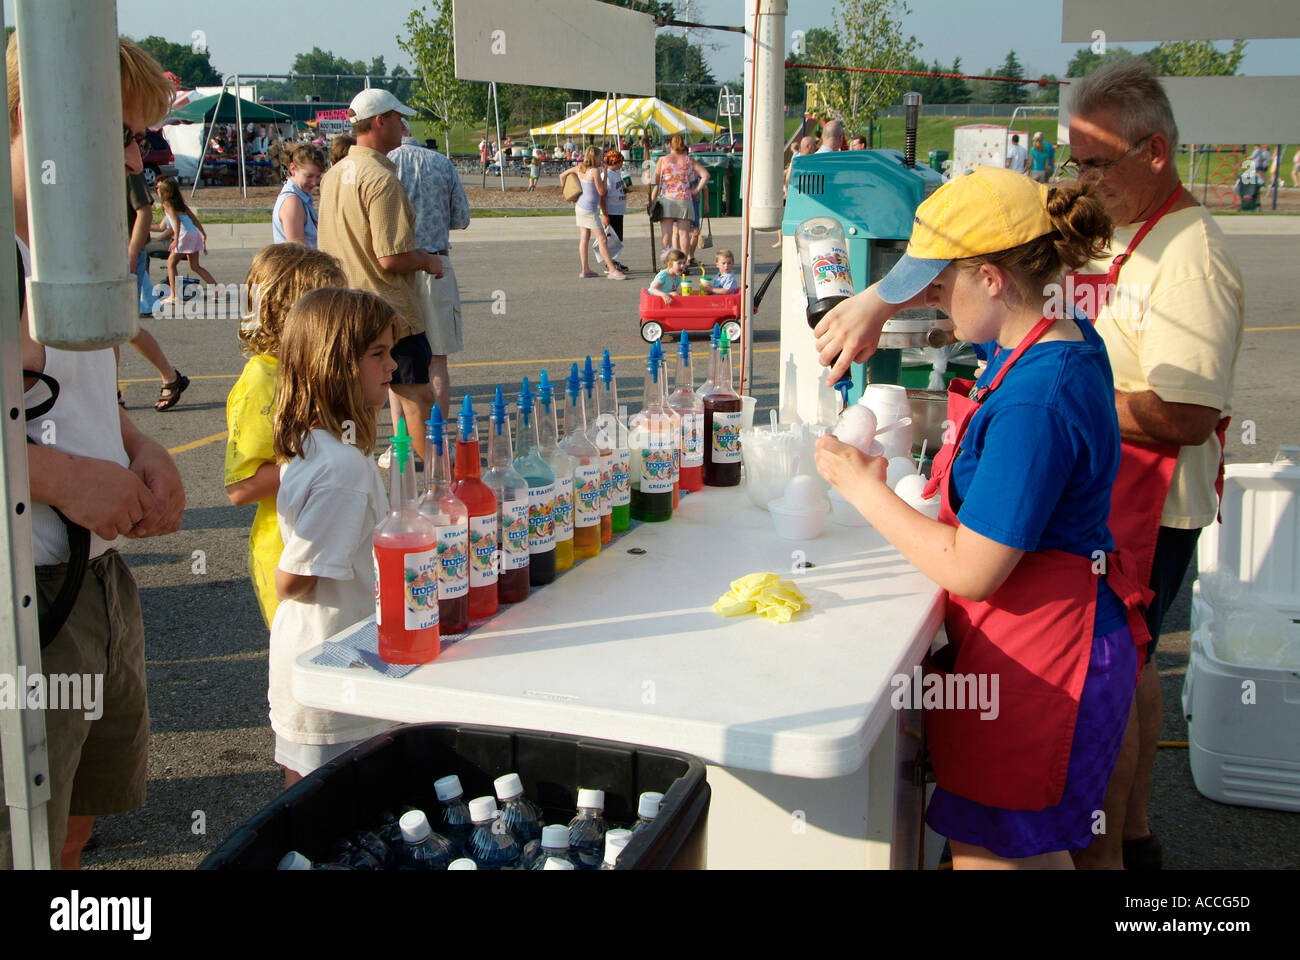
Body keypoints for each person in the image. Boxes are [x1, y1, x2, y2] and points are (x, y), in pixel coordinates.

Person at [812, 167, 1152, 869]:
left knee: (995, 853)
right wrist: (878, 302)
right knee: (1040, 847)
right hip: (1059, 640)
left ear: (993, 279)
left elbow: (972, 569)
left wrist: (860, 484)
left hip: (1042, 666)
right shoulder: (1056, 338)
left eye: (940, 285)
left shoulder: (1037, 400)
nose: (933, 303)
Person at [1, 33, 184, 871]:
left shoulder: (70, 259)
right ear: (34, 122)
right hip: (24, 594)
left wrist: (142, 449)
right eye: (116, 134)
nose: (131, 161)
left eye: (138, 139)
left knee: (75, 822)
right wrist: (68, 480)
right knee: (24, 832)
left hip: (94, 583)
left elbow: (87, 399)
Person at [1062, 58, 1245, 873]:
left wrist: (1073, 399)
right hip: (1115, 491)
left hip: (1152, 502)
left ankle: (1109, 848)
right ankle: (1132, 838)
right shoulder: (1128, 225)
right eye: (1075, 159)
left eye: (1095, 161)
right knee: (1131, 665)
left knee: (1116, 671)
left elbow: (1186, 415)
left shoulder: (1191, 256)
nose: (1081, 179)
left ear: (1156, 151)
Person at [270, 287, 397, 786]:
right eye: (377, 354)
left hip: (321, 664)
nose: (391, 366)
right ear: (335, 364)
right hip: (335, 667)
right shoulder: (344, 469)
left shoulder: (318, 443)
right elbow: (294, 580)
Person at [317, 88, 443, 466]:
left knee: (359, 403)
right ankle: (442, 487)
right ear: (379, 121)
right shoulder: (382, 180)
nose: (404, 127)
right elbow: (391, 258)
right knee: (419, 399)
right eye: (399, 119)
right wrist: (427, 261)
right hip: (388, 313)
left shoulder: (334, 174)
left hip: (345, 307)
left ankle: (353, 475)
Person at [225, 243, 346, 629]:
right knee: (301, 659)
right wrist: (314, 460)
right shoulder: (262, 381)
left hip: (327, 537)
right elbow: (241, 488)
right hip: (287, 549)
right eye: (331, 313)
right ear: (290, 313)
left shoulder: (314, 371)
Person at [389, 120, 472, 417]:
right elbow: (461, 217)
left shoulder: (383, 163)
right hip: (436, 263)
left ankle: (402, 445)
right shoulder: (441, 163)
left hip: (395, 266)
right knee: (437, 358)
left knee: (395, 360)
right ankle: (438, 441)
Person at [123, 170, 189, 411]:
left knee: (122, 324)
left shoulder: (127, 169)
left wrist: (132, 253)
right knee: (113, 325)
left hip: (124, 250)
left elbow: (145, 213)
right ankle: (111, 390)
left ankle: (170, 377)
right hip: (100, 250)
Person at [560, 146, 626, 280]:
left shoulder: (580, 168)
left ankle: (585, 269)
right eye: (600, 156)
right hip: (589, 209)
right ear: (595, 157)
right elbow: (602, 192)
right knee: (602, 238)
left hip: (580, 206)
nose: (602, 158)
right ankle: (612, 270)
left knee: (584, 237)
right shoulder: (594, 171)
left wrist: (569, 195)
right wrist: (605, 174)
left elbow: (562, 176)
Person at [152, 177, 216, 307]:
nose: (156, 190)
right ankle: (216, 290)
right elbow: (164, 227)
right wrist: (203, 234)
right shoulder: (180, 204)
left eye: (158, 188)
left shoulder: (166, 204)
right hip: (193, 233)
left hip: (183, 235)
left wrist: (175, 240)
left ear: (165, 191)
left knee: (170, 263)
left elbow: (176, 222)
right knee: (195, 266)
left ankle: (174, 296)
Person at [648, 133, 708, 264]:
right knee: (684, 234)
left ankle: (667, 262)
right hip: (684, 199)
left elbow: (655, 181)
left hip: (667, 199)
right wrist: (696, 190)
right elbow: (705, 175)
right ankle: (683, 263)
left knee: (667, 234)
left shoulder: (663, 160)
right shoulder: (688, 160)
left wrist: (648, 177)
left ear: (670, 144)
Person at [271, 143, 324, 247]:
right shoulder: (292, 202)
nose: (314, 182)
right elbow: (298, 254)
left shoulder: (301, 197)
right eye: (309, 176)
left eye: (317, 176)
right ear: (292, 169)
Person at [601, 148, 630, 272]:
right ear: (615, 162)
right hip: (611, 211)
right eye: (620, 162)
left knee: (617, 238)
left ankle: (614, 260)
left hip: (618, 210)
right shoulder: (606, 175)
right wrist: (605, 214)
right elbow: (603, 195)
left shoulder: (616, 173)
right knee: (611, 238)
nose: (621, 164)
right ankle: (610, 263)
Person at [784, 135, 818, 199]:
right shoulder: (798, 162)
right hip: (800, 197)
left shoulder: (795, 160)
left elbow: (787, 180)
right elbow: (788, 181)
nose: (816, 147)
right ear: (808, 147)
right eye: (814, 145)